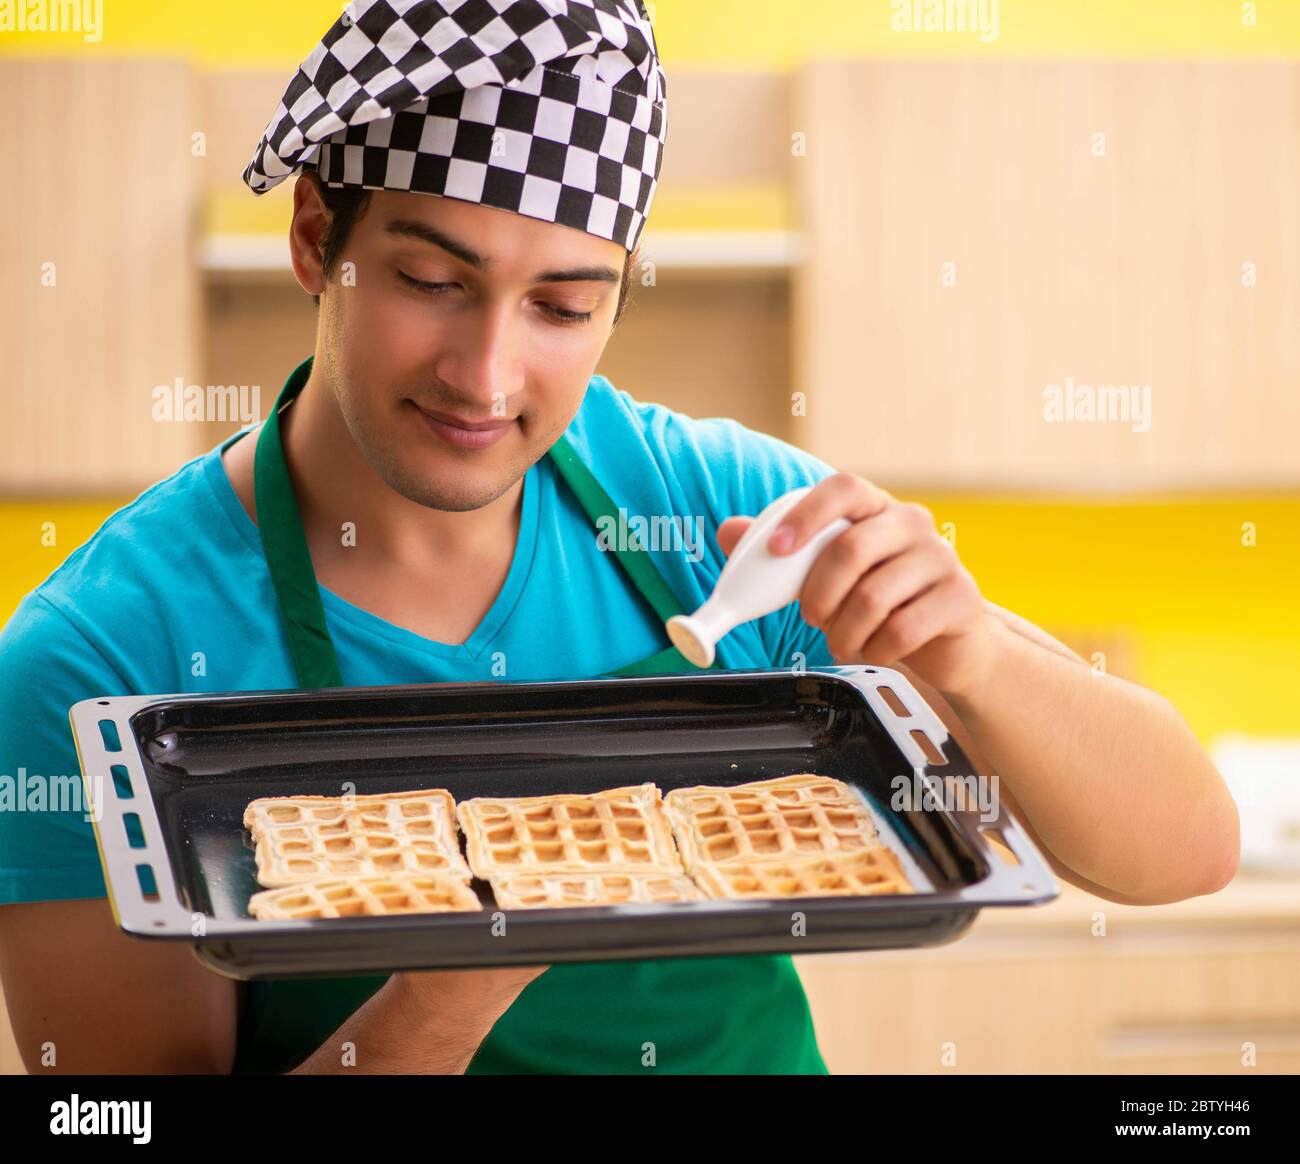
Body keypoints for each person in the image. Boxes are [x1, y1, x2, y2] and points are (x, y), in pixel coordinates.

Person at [0, 0, 1238, 1075]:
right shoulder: (100, 654)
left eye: (561, 305)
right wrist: (458, 977)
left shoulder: (721, 514)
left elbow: (1185, 850)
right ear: (320, 239)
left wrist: (973, 654)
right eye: (434, 281)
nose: (487, 377)